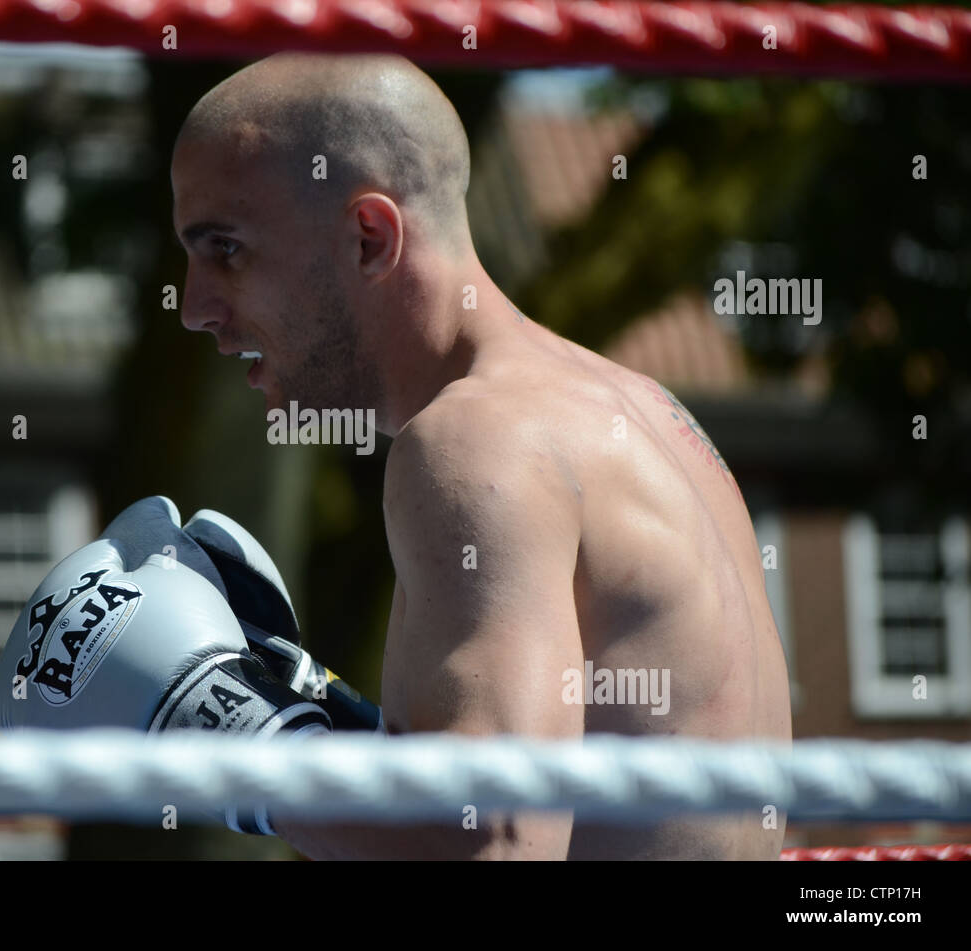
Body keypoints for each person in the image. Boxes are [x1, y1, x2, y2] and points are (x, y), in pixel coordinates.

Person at [168, 52, 792, 860]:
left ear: (368, 236)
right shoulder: (653, 415)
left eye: (226, 248)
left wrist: (237, 740)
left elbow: (490, 844)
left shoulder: (470, 444)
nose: (192, 308)